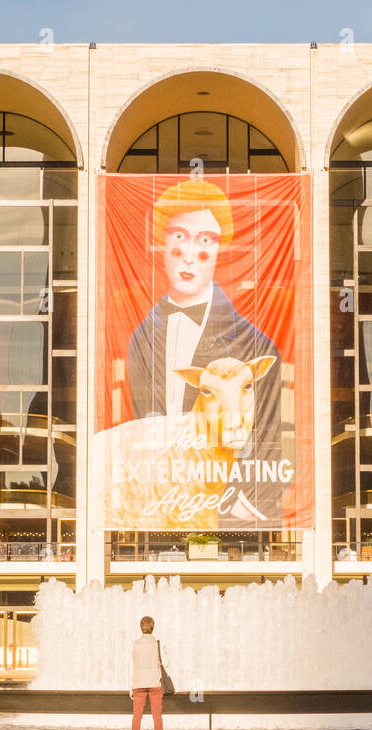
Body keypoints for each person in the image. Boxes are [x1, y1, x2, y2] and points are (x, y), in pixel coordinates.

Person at [125, 180, 283, 525]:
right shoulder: (137, 341)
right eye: (179, 237)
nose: (189, 256)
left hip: (227, 510)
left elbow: (265, 444)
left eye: (205, 241)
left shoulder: (256, 344)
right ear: (161, 246)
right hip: (157, 506)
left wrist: (233, 507)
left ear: (220, 250)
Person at [129, 616, 167, 730]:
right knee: (157, 715)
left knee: (137, 716)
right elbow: (167, 663)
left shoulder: (135, 644)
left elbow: (131, 665)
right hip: (155, 683)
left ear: (141, 627)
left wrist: (130, 686)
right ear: (153, 627)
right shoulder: (158, 644)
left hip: (138, 683)